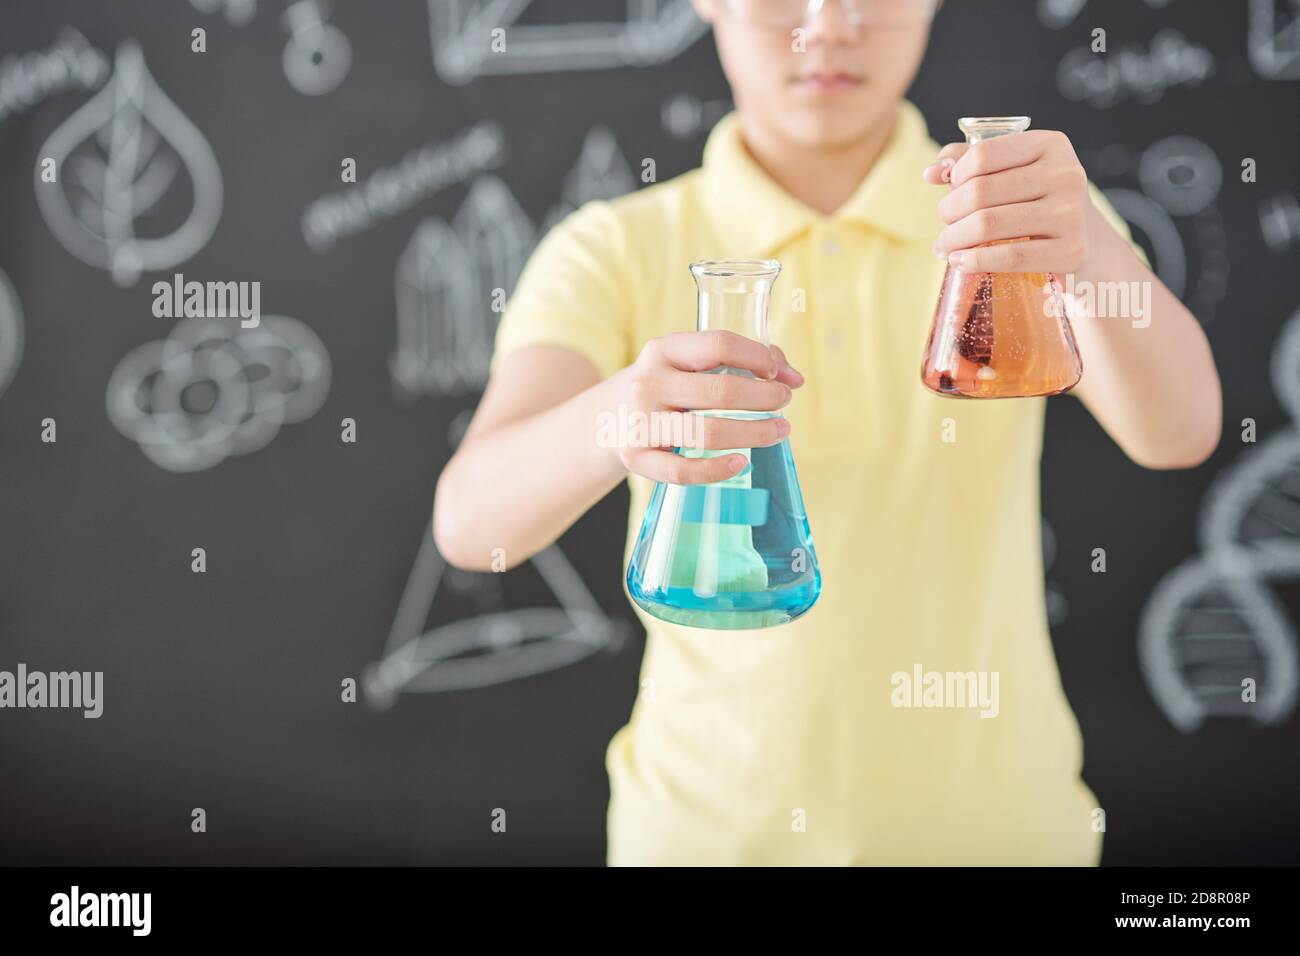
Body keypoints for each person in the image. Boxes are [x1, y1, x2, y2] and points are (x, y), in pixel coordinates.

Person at [433, 0, 1222, 865]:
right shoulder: (615, 249)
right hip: (709, 842)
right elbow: (473, 527)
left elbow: (1179, 431)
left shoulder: (1017, 218)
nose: (830, 27)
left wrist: (1093, 252)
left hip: (1001, 837)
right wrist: (618, 414)